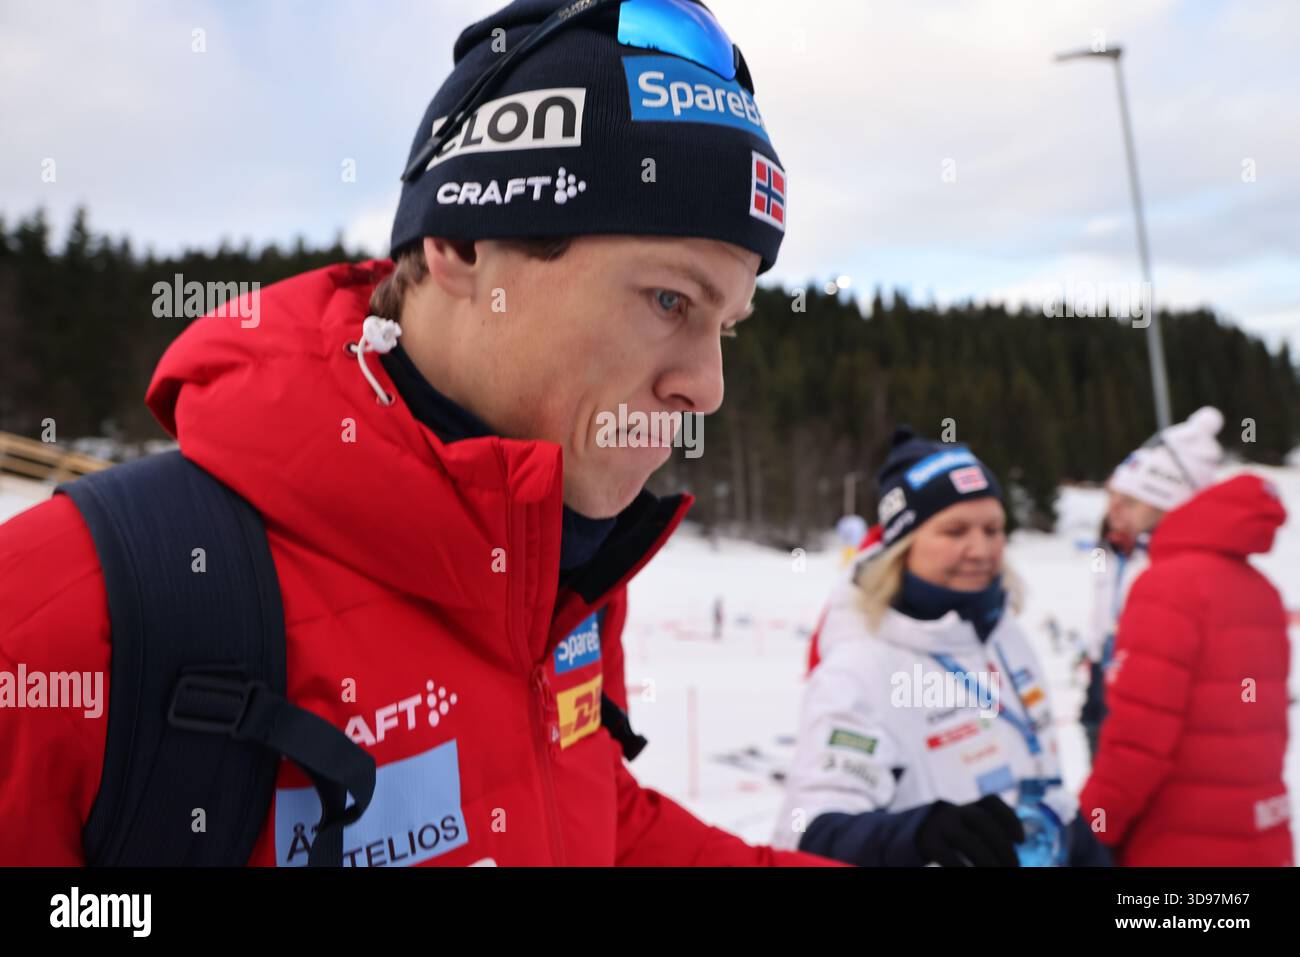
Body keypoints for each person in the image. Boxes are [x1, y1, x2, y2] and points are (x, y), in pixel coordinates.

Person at [0, 0, 831, 867]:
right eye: (670, 301)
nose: (707, 386)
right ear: (465, 244)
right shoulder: (61, 621)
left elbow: (591, 822)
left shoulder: (559, 561)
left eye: (726, 326)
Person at [774, 428, 1110, 866]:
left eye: (993, 529)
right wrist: (919, 834)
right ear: (903, 546)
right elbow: (804, 831)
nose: (981, 549)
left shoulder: (1005, 631)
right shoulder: (859, 668)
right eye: (954, 531)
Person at [1079, 408, 1293, 865]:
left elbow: (1139, 742)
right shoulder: (1259, 588)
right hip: (1256, 837)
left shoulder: (1166, 585)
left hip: (1181, 843)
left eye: (1130, 501)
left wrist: (1092, 825)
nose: (1115, 512)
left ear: (1167, 503)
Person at [1078, 496, 1151, 759]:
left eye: (1125, 508)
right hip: (1103, 648)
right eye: (1112, 509)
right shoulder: (1103, 552)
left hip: (1134, 649)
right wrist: (1092, 646)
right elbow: (1098, 597)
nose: (1116, 515)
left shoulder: (1149, 554)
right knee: (1092, 714)